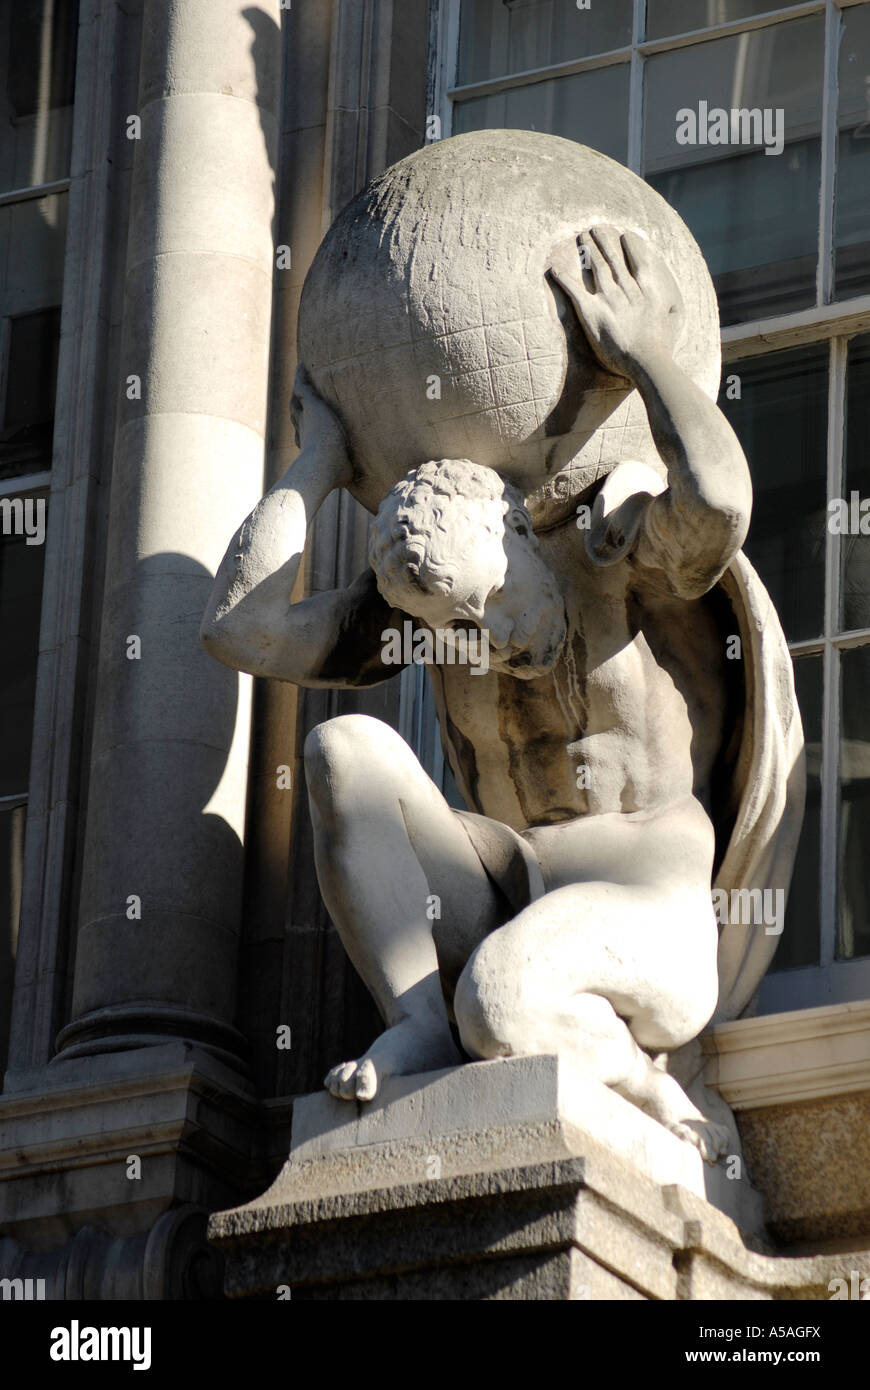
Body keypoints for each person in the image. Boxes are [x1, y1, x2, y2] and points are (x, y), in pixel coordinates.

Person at [202, 227, 756, 1160]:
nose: (483, 640)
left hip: (648, 903)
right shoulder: (435, 616)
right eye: (456, 627)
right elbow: (240, 631)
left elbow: (718, 505)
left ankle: (635, 1078)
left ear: (520, 535)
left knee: (501, 1004)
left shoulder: (611, 549)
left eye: (492, 604)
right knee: (345, 752)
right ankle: (420, 1014)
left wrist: (644, 354)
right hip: (503, 884)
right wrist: (323, 463)